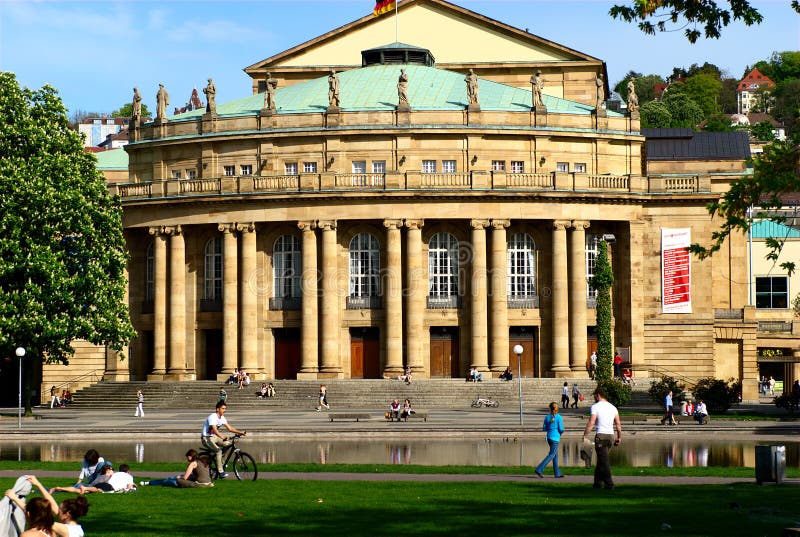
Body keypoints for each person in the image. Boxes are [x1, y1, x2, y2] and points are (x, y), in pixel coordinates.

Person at [23, 476, 89, 537]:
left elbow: (42, 519)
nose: (57, 512)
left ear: (67, 514)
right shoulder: (74, 528)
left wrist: (31, 510)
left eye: (59, 511)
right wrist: (38, 484)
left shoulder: (68, 530)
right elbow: (52, 504)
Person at [582, 387, 622, 490]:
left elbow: (591, 422)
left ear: (598, 395)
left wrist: (585, 435)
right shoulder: (613, 407)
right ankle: (597, 484)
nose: (594, 398)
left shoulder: (595, 407)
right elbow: (618, 424)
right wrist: (619, 437)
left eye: (595, 396)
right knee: (601, 460)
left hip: (601, 436)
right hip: (610, 437)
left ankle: (609, 484)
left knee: (604, 461)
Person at [201, 400, 247, 478]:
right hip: (206, 438)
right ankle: (220, 472)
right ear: (217, 409)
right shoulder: (212, 417)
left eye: (225, 409)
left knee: (228, 444)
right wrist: (222, 437)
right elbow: (215, 430)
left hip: (214, 437)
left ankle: (221, 462)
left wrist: (240, 432)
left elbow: (230, 428)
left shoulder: (222, 418)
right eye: (223, 408)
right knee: (218, 451)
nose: (224, 410)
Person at [140, 449, 213, 488]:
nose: (187, 459)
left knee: (170, 481)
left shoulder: (193, 463)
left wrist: (179, 477)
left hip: (200, 484)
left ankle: (149, 483)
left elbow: (185, 477)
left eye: (187, 457)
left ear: (190, 456)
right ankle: (149, 482)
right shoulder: (203, 461)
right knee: (174, 478)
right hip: (208, 482)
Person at [534, 402, 565, 478]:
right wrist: (561, 432)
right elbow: (561, 429)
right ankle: (539, 469)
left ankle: (557, 473)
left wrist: (550, 427)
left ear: (550, 408)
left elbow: (544, 428)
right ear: (557, 408)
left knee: (555, 455)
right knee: (551, 455)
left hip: (549, 438)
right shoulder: (559, 417)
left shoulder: (547, 417)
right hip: (555, 438)